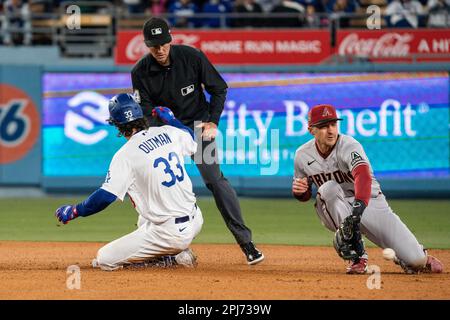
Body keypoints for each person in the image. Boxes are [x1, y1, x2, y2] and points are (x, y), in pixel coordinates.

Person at [131, 17, 264, 265]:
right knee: (154, 183)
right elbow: (146, 112)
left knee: (215, 180)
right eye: (153, 45)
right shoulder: (140, 72)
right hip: (165, 133)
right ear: (146, 45)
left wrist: (213, 121)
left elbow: (219, 89)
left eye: (162, 43)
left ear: (170, 39)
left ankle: (246, 243)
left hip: (198, 127)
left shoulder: (191, 57)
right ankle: (158, 246)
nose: (159, 50)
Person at [54, 93, 204, 271]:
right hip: (196, 220)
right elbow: (191, 138)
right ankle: (177, 251)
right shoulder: (169, 132)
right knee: (143, 220)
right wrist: (172, 120)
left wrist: (75, 210)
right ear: (140, 114)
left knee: (104, 259)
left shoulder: (125, 155)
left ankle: (169, 259)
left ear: (116, 124)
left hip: (170, 234)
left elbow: (106, 196)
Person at [292, 104, 444, 274]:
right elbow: (305, 194)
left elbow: (363, 176)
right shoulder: (302, 155)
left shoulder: (349, 145)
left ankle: (411, 255)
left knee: (415, 261)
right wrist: (301, 192)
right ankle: (357, 256)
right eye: (324, 126)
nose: (330, 130)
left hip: (370, 202)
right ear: (311, 130)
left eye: (333, 124)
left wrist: (357, 212)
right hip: (337, 208)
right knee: (328, 189)